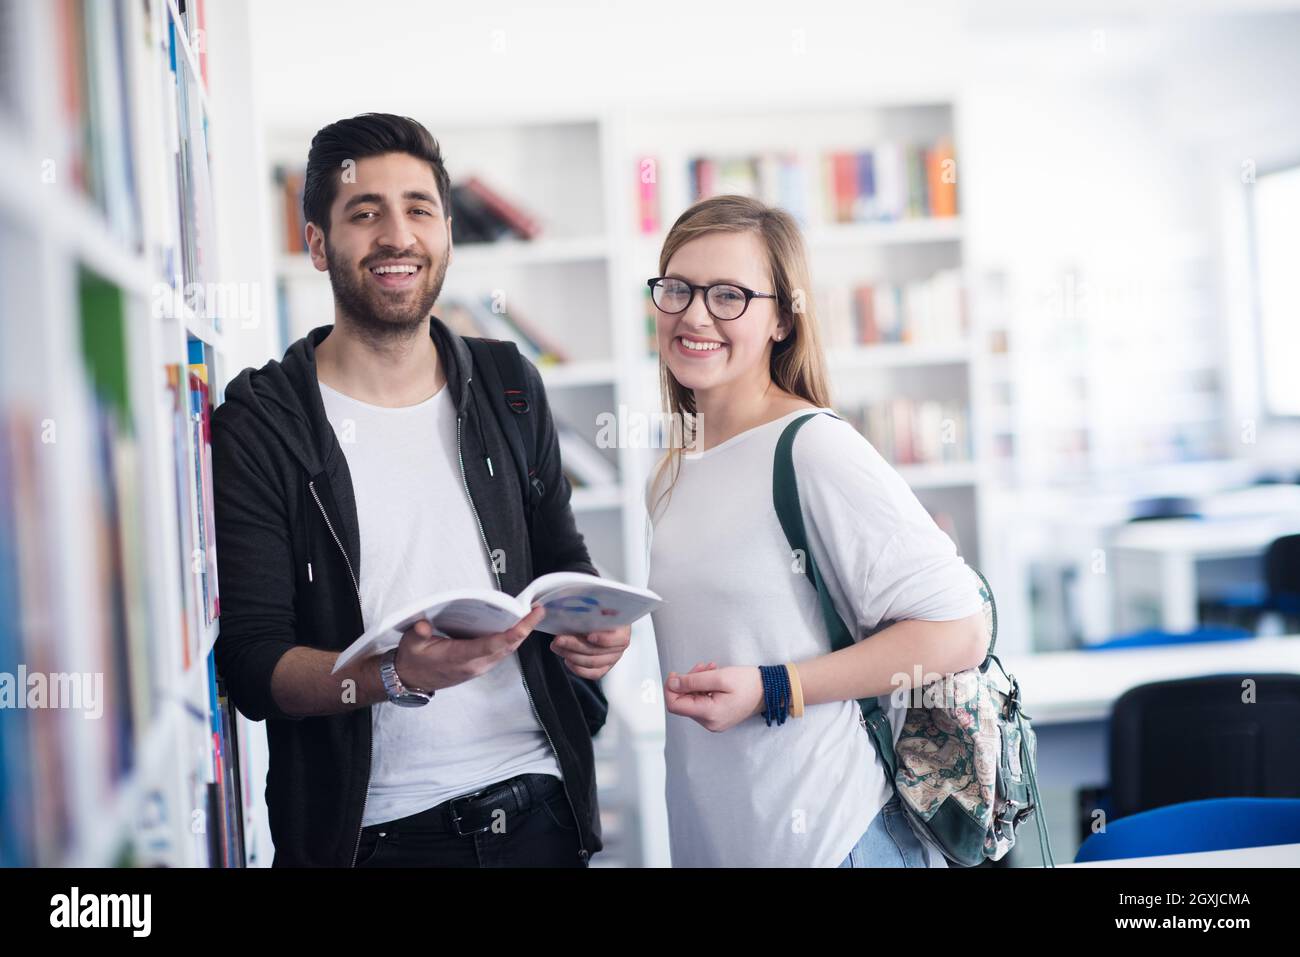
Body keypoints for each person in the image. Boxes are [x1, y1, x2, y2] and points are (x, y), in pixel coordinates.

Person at [212, 113, 630, 867]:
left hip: (537, 809)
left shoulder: (508, 383)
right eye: (364, 212)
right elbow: (252, 665)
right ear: (316, 243)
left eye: (418, 209)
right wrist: (394, 675)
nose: (396, 235)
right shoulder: (262, 421)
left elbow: (562, 556)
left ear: (444, 234)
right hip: (368, 837)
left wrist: (594, 628)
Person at [644, 194, 989, 867]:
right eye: (678, 288)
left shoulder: (812, 448)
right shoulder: (676, 463)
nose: (694, 314)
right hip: (723, 837)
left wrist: (776, 687)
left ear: (781, 319)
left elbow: (960, 629)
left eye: (729, 295)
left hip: (831, 838)